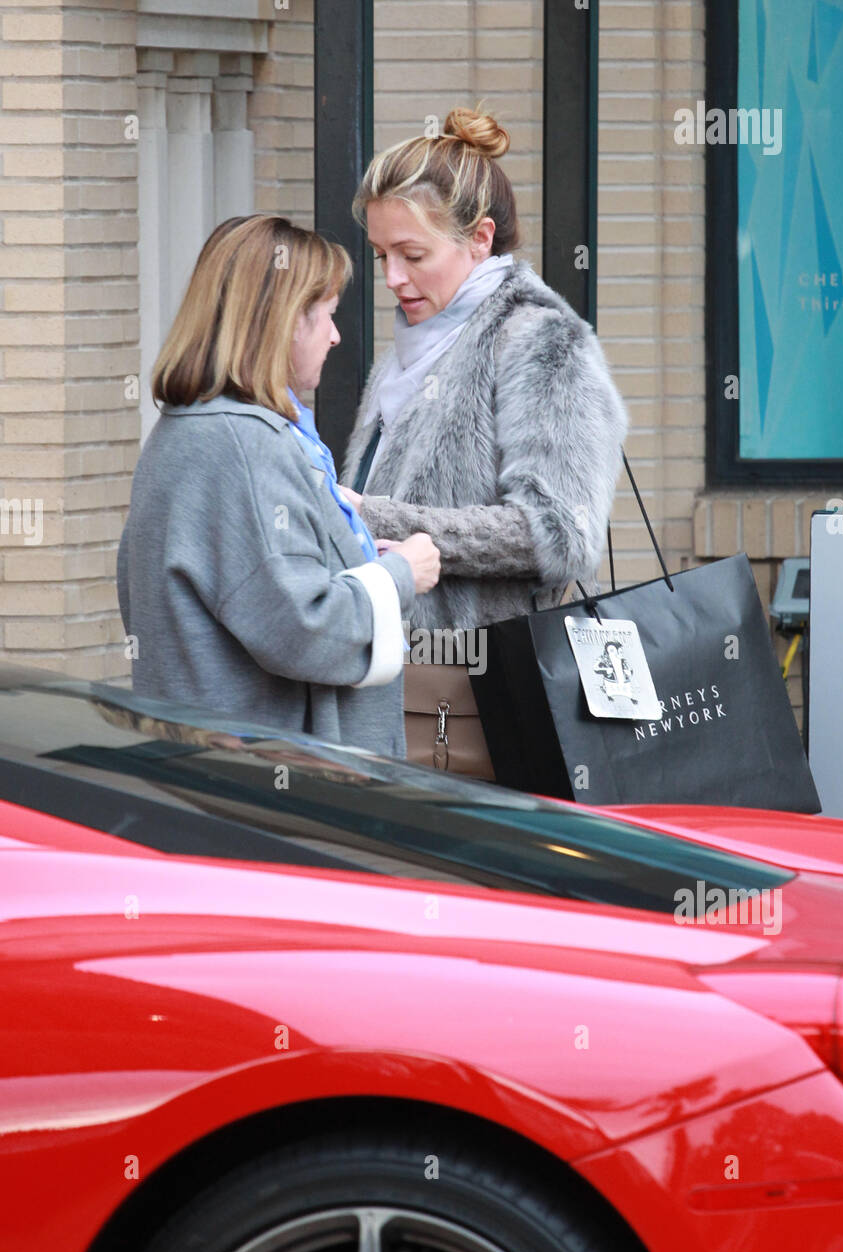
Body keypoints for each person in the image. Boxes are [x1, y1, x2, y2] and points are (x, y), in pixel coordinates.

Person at [340, 107, 628, 776]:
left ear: (480, 238)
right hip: (399, 688)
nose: (392, 279)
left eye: (413, 255)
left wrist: (375, 518)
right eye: (382, 255)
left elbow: (562, 532)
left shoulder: (541, 341)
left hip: (482, 704)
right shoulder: (410, 353)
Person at [116, 214, 440, 758]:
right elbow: (303, 628)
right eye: (328, 316)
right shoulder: (245, 445)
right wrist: (400, 575)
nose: (337, 336)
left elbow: (253, 592)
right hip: (276, 792)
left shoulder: (190, 430)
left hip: (215, 775)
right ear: (287, 320)